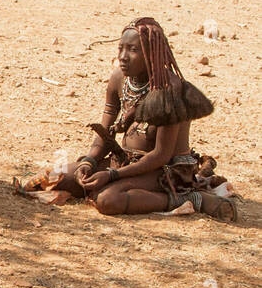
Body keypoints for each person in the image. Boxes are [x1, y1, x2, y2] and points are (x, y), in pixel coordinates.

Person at [69, 18, 234, 220]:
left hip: (164, 172)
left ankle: (190, 198)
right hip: (125, 161)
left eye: (132, 50)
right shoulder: (119, 80)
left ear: (151, 54)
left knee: (107, 200)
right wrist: (88, 162)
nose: (123, 57)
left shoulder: (169, 90)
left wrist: (112, 176)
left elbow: (160, 155)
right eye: (120, 48)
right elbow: (105, 131)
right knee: (64, 177)